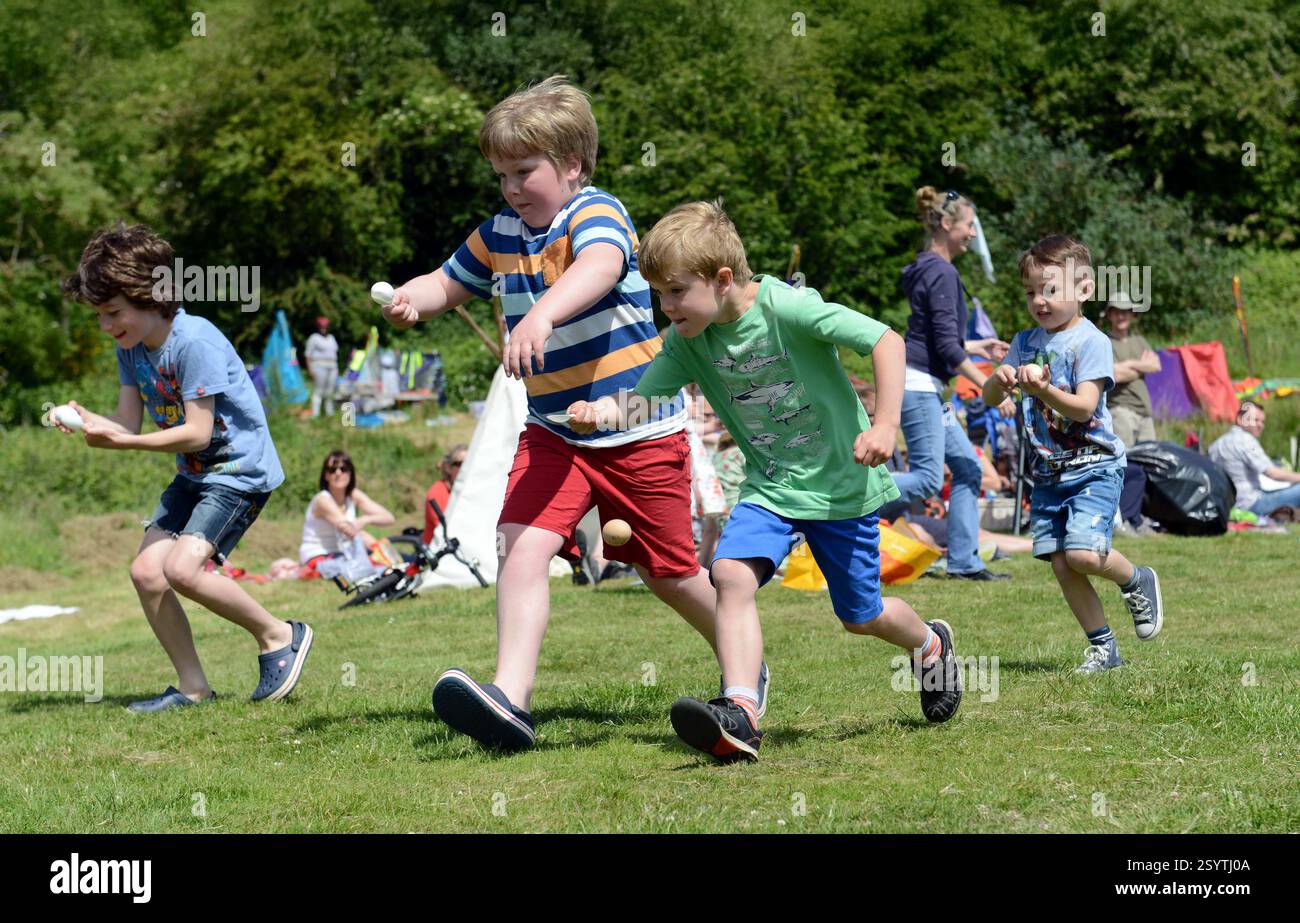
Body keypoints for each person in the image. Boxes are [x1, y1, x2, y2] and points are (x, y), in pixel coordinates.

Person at [379, 76, 723, 752]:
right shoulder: (500, 232)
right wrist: (416, 299)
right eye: (501, 173)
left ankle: (743, 661)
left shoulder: (596, 214)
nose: (510, 187)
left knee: (669, 573)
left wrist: (539, 311)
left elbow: (598, 266)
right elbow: (449, 279)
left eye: (524, 171)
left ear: (570, 165)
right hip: (555, 432)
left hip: (635, 426)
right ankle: (510, 699)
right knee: (521, 543)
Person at [571, 200, 963, 763]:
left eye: (677, 291)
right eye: (660, 293)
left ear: (722, 279)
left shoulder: (787, 307)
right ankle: (741, 711)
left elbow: (886, 341)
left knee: (862, 617)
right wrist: (602, 412)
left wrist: (884, 425)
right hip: (771, 489)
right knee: (729, 574)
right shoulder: (688, 339)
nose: (667, 306)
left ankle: (930, 644)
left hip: (841, 489)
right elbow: (645, 398)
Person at [58, 222, 312, 711]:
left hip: (238, 474)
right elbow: (126, 420)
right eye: (99, 316)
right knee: (147, 573)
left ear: (150, 295)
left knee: (181, 568)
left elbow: (197, 431)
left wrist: (125, 444)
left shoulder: (196, 342)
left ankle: (279, 635)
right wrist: (91, 421)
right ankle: (193, 687)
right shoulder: (130, 349)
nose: (107, 326)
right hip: (196, 475)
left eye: (113, 312)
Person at [982, 235, 1165, 674]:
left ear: (1083, 290)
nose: (1039, 301)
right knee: (1063, 565)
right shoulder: (1024, 342)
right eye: (1030, 292)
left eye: (1050, 290)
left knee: (1083, 554)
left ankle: (1136, 579)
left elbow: (1084, 407)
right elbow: (990, 398)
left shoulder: (1092, 341)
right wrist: (1001, 376)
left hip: (1095, 466)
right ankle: (1104, 648)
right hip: (1049, 474)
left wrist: (1044, 388)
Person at [892, 187, 1014, 581]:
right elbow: (945, 348)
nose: (974, 234)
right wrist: (990, 386)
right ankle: (844, 494)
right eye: (969, 226)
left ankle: (964, 561)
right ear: (946, 225)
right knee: (927, 479)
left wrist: (979, 346)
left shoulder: (929, 265)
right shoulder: (941, 271)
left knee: (967, 469)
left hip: (927, 386)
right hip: (918, 387)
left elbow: (936, 338)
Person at [299, 450, 398, 574]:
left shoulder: (352, 495)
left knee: (377, 561)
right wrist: (375, 547)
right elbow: (347, 528)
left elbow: (389, 518)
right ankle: (394, 564)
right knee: (372, 561)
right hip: (319, 556)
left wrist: (366, 519)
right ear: (326, 475)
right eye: (332, 470)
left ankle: (396, 563)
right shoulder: (322, 500)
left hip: (343, 553)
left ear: (350, 473)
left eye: (343, 469)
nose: (338, 473)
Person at [1209, 401, 1300, 517]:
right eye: (1255, 420)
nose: (1260, 425)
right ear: (1240, 419)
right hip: (1252, 504)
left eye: (1262, 421)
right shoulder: (1246, 440)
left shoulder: (1216, 444)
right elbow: (1273, 474)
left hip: (1230, 505)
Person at [1103, 292, 1160, 449]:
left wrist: (1128, 363)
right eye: (1116, 312)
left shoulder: (1139, 341)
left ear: (1132, 314)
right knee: (1125, 462)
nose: (1121, 316)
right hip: (1120, 412)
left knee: (1150, 462)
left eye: (1125, 312)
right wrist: (1142, 367)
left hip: (1145, 413)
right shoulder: (1104, 341)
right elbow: (1115, 375)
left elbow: (1155, 365)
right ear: (1109, 315)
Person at [421, 443, 467, 546]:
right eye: (461, 464)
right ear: (448, 468)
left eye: (469, 463)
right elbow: (447, 530)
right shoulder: (437, 493)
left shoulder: (470, 492)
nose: (466, 468)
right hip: (437, 552)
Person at [305, 316, 339, 417]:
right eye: (321, 327)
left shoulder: (331, 338)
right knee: (318, 391)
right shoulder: (314, 338)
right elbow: (308, 355)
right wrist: (310, 369)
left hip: (332, 366)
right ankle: (316, 414)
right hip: (319, 366)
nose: (323, 329)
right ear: (318, 327)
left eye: (325, 327)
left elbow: (335, 353)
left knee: (330, 391)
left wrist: (336, 368)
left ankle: (329, 413)